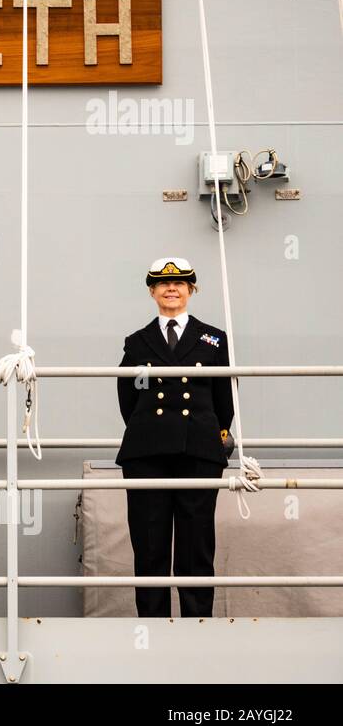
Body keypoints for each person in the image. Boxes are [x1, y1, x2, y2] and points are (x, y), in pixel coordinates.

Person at [116, 257, 234, 617]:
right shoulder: (137, 342)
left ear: (191, 291)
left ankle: (197, 625)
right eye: (164, 284)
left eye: (180, 284)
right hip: (147, 452)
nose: (172, 289)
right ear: (152, 292)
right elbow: (128, 398)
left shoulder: (213, 338)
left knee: (195, 544)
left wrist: (216, 436)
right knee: (149, 544)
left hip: (197, 450)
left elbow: (224, 398)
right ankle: (151, 627)